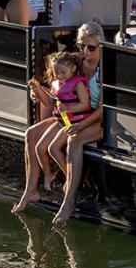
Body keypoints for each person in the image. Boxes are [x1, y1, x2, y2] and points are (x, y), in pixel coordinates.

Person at [48, 22, 106, 226]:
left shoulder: (105, 66)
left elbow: (101, 110)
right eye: (82, 46)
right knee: (36, 135)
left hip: (101, 118)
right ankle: (44, 187)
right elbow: (58, 82)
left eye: (91, 48)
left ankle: (69, 200)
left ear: (102, 46)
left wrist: (79, 126)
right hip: (78, 115)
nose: (85, 52)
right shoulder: (76, 62)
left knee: (75, 140)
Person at [16, 47, 89, 211]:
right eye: (56, 72)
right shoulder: (57, 83)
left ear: (73, 69)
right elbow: (49, 103)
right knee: (40, 147)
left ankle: (72, 180)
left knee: (52, 148)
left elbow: (85, 104)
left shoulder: (78, 83)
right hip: (60, 120)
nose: (59, 76)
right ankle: (48, 176)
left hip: (73, 121)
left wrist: (68, 109)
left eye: (62, 72)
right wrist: (37, 90)